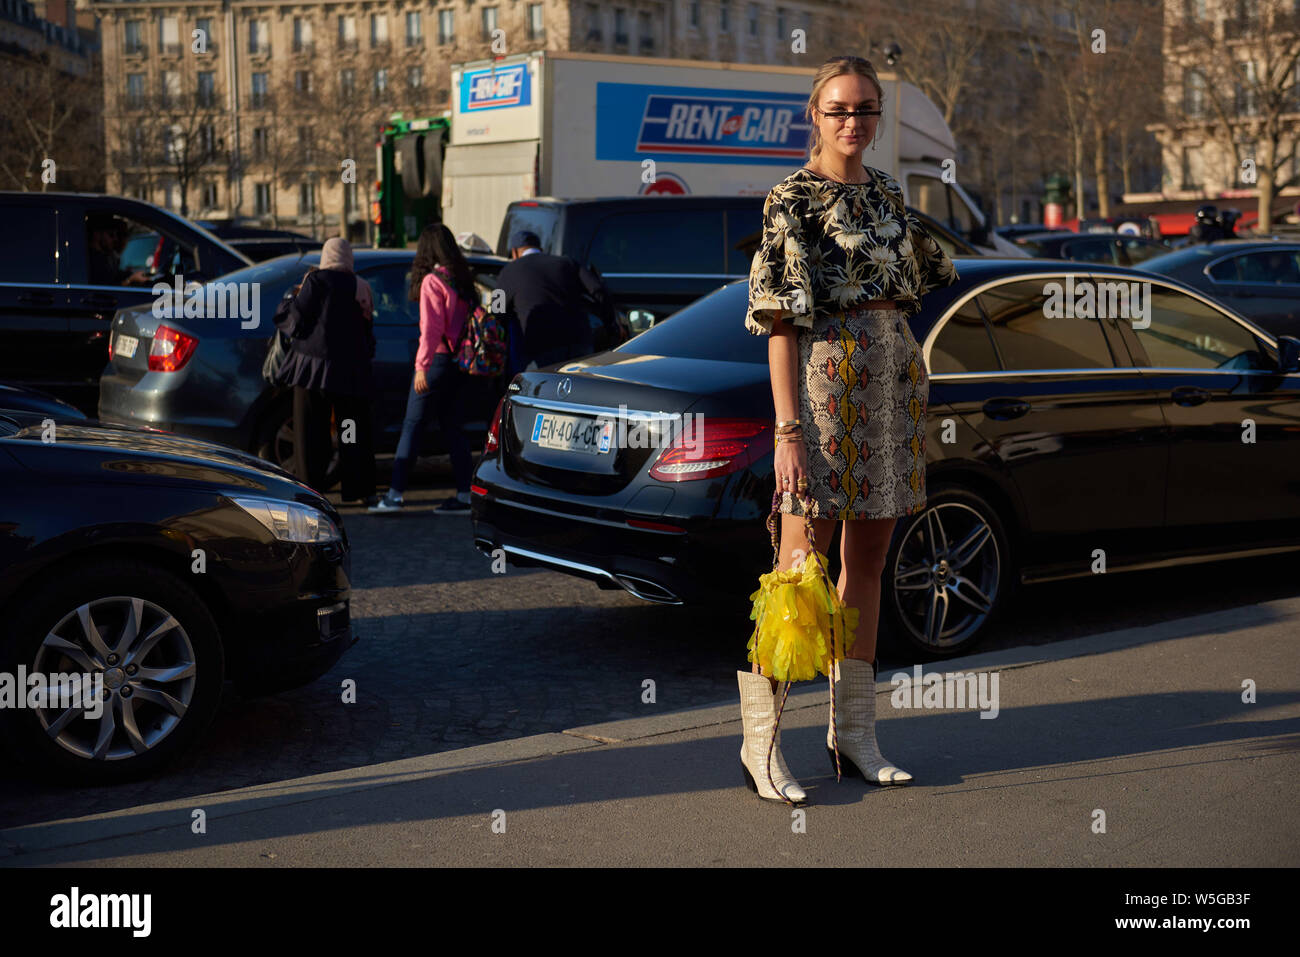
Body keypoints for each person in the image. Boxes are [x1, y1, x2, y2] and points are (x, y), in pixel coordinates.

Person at [738, 54, 958, 804]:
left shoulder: (891, 193)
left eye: (865, 108)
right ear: (815, 115)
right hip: (825, 393)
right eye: (838, 109)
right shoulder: (792, 197)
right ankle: (760, 744)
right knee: (799, 572)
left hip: (891, 389)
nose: (853, 121)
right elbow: (777, 320)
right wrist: (787, 429)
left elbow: (918, 285)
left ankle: (854, 733)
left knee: (868, 563)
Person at [370, 224, 476, 514]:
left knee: (412, 426)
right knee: (454, 428)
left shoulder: (433, 281)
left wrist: (421, 367)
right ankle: (466, 495)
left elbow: (431, 329)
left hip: (436, 361)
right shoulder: (462, 280)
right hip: (458, 363)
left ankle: (393, 496)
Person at [274, 237, 377, 504]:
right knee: (351, 430)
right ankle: (359, 490)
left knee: (311, 430)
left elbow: (295, 321)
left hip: (312, 370)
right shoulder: (361, 286)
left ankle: (312, 492)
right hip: (351, 373)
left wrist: (285, 303)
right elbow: (368, 331)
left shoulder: (315, 281)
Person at [494, 229, 618, 369]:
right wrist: (610, 324)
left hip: (541, 345)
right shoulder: (568, 262)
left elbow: (497, 310)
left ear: (515, 252)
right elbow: (598, 290)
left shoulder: (508, 271)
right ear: (540, 249)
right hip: (579, 339)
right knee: (581, 386)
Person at [86, 214, 150, 286]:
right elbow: (106, 290)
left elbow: (116, 275)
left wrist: (132, 275)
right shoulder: (92, 260)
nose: (115, 239)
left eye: (117, 235)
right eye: (111, 235)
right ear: (97, 235)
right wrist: (130, 280)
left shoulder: (105, 257)